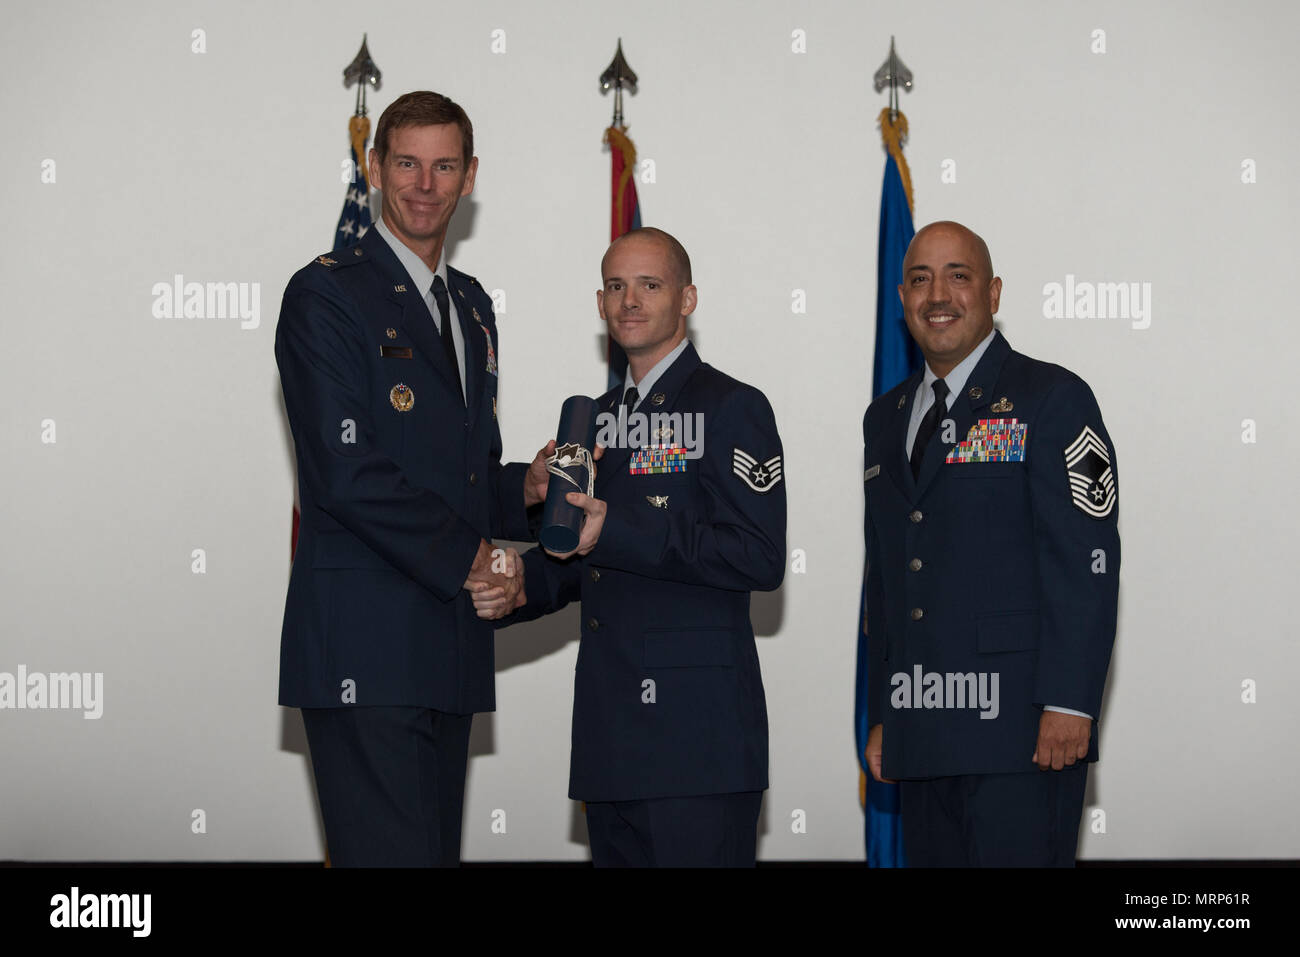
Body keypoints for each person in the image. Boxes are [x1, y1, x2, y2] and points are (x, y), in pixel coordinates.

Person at [275, 90, 550, 867]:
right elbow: (345, 473)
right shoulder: (326, 292)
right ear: (372, 168)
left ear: (469, 178)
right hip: (366, 648)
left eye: (444, 166)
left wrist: (522, 492)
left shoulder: (471, 305)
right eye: (406, 163)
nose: (425, 185)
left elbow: (461, 478)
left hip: (450, 647)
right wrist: (478, 559)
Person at [472, 227, 786, 867]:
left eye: (650, 284)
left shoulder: (733, 406)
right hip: (610, 738)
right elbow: (587, 557)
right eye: (616, 286)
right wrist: (522, 584)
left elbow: (757, 555)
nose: (629, 301)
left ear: (688, 299)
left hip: (696, 746)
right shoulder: (597, 420)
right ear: (599, 302)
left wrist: (614, 525)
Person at [861, 221, 1120, 867]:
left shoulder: (1052, 398)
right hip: (924, 731)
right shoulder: (886, 416)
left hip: (1023, 735)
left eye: (959, 275)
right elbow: (891, 580)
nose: (937, 293)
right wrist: (889, 710)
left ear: (994, 292)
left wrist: (1070, 701)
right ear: (902, 297)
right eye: (920, 278)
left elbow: (1085, 562)